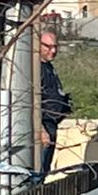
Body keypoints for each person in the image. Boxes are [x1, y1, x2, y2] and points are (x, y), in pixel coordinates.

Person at [38, 31, 72, 176]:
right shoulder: (36, 69)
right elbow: (34, 101)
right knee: (38, 170)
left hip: (52, 124)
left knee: (45, 170)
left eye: (55, 47)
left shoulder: (49, 67)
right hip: (43, 127)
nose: (53, 51)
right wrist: (41, 129)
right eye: (48, 46)